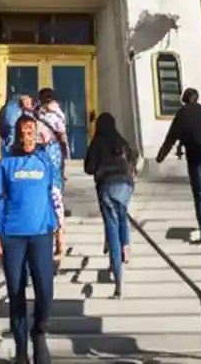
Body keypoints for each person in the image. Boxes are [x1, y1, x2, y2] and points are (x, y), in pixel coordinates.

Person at [0, 115, 65, 364]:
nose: (26, 137)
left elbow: (55, 195)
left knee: (45, 289)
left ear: (36, 133)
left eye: (30, 131)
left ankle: (39, 330)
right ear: (17, 135)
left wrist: (60, 229)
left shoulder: (45, 162)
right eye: (22, 132)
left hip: (41, 232)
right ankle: (21, 348)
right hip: (12, 235)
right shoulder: (5, 165)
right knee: (16, 290)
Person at [155, 88, 201, 254]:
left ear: (184, 100)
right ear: (197, 98)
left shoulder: (182, 114)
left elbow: (171, 137)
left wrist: (160, 157)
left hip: (195, 160)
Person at [82, 113, 136, 299]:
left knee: (111, 227)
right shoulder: (122, 141)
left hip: (107, 184)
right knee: (123, 216)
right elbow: (132, 163)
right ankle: (126, 247)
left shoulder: (97, 142)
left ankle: (118, 274)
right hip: (126, 185)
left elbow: (88, 168)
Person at [34, 89, 68, 193]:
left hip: (43, 146)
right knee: (55, 173)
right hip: (52, 145)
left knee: (45, 172)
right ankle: (56, 199)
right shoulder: (57, 112)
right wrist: (64, 148)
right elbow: (62, 132)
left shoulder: (40, 112)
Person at [0, 93, 32, 158]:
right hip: (12, 146)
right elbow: (12, 126)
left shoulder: (18, 108)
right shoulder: (13, 108)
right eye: (28, 98)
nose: (31, 101)